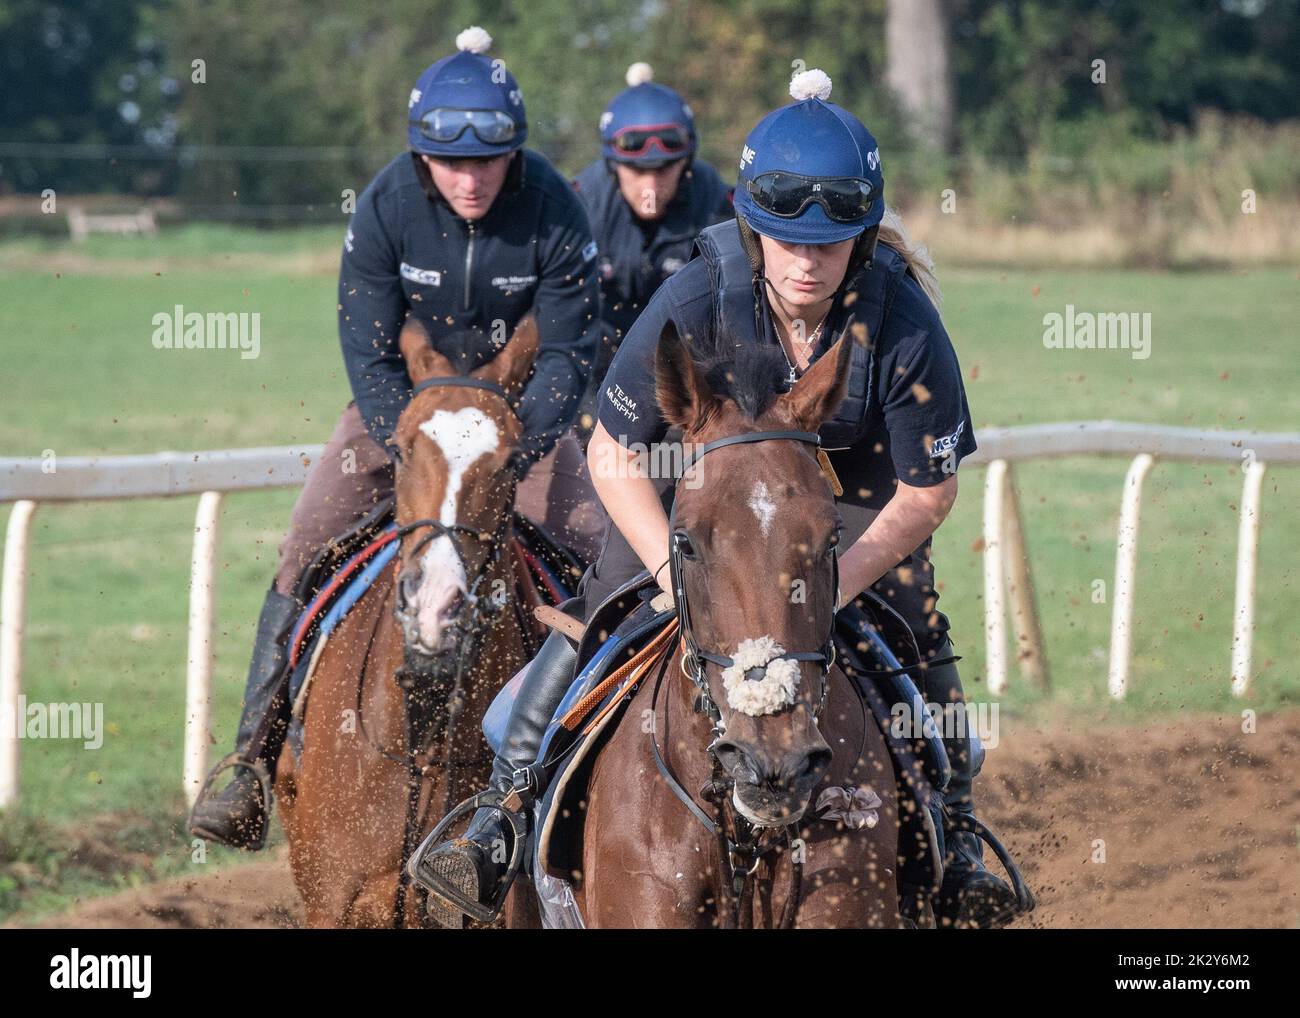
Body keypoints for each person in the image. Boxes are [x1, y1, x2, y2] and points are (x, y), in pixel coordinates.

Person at [420, 69, 1027, 929]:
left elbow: (931, 487)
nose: (808, 260)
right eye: (788, 240)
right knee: (602, 604)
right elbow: (611, 449)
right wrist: (672, 572)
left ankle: (957, 834)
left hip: (840, 499)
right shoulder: (694, 296)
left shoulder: (904, 322)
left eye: (832, 240)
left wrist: (832, 581)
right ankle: (503, 810)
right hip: (688, 487)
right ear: (753, 223)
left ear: (864, 233)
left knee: (915, 622)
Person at [187, 26, 603, 851]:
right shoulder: (382, 205)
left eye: (488, 161)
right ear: (421, 158)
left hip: (516, 419)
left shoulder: (556, 206)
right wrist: (408, 435)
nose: (471, 178)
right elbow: (368, 352)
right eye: (452, 163)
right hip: (402, 414)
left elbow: (569, 351)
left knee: (596, 541)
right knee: (306, 538)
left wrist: (515, 447)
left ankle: (591, 764)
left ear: (513, 154)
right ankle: (250, 764)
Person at [570, 62, 733, 401]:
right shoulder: (576, 210)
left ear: (685, 163)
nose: (651, 186)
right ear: (613, 167)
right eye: (637, 170)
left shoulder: (720, 208)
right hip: (592, 369)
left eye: (663, 170)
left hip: (688, 371)